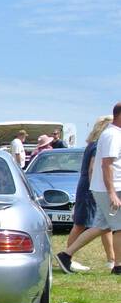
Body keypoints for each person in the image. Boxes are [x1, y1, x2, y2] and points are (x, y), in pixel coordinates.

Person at [57, 102, 121, 276]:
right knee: (118, 227)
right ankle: (118, 266)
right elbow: (106, 165)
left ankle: (65, 255)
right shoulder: (113, 136)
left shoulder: (111, 135)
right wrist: (111, 193)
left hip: (106, 187)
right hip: (110, 187)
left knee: (101, 226)